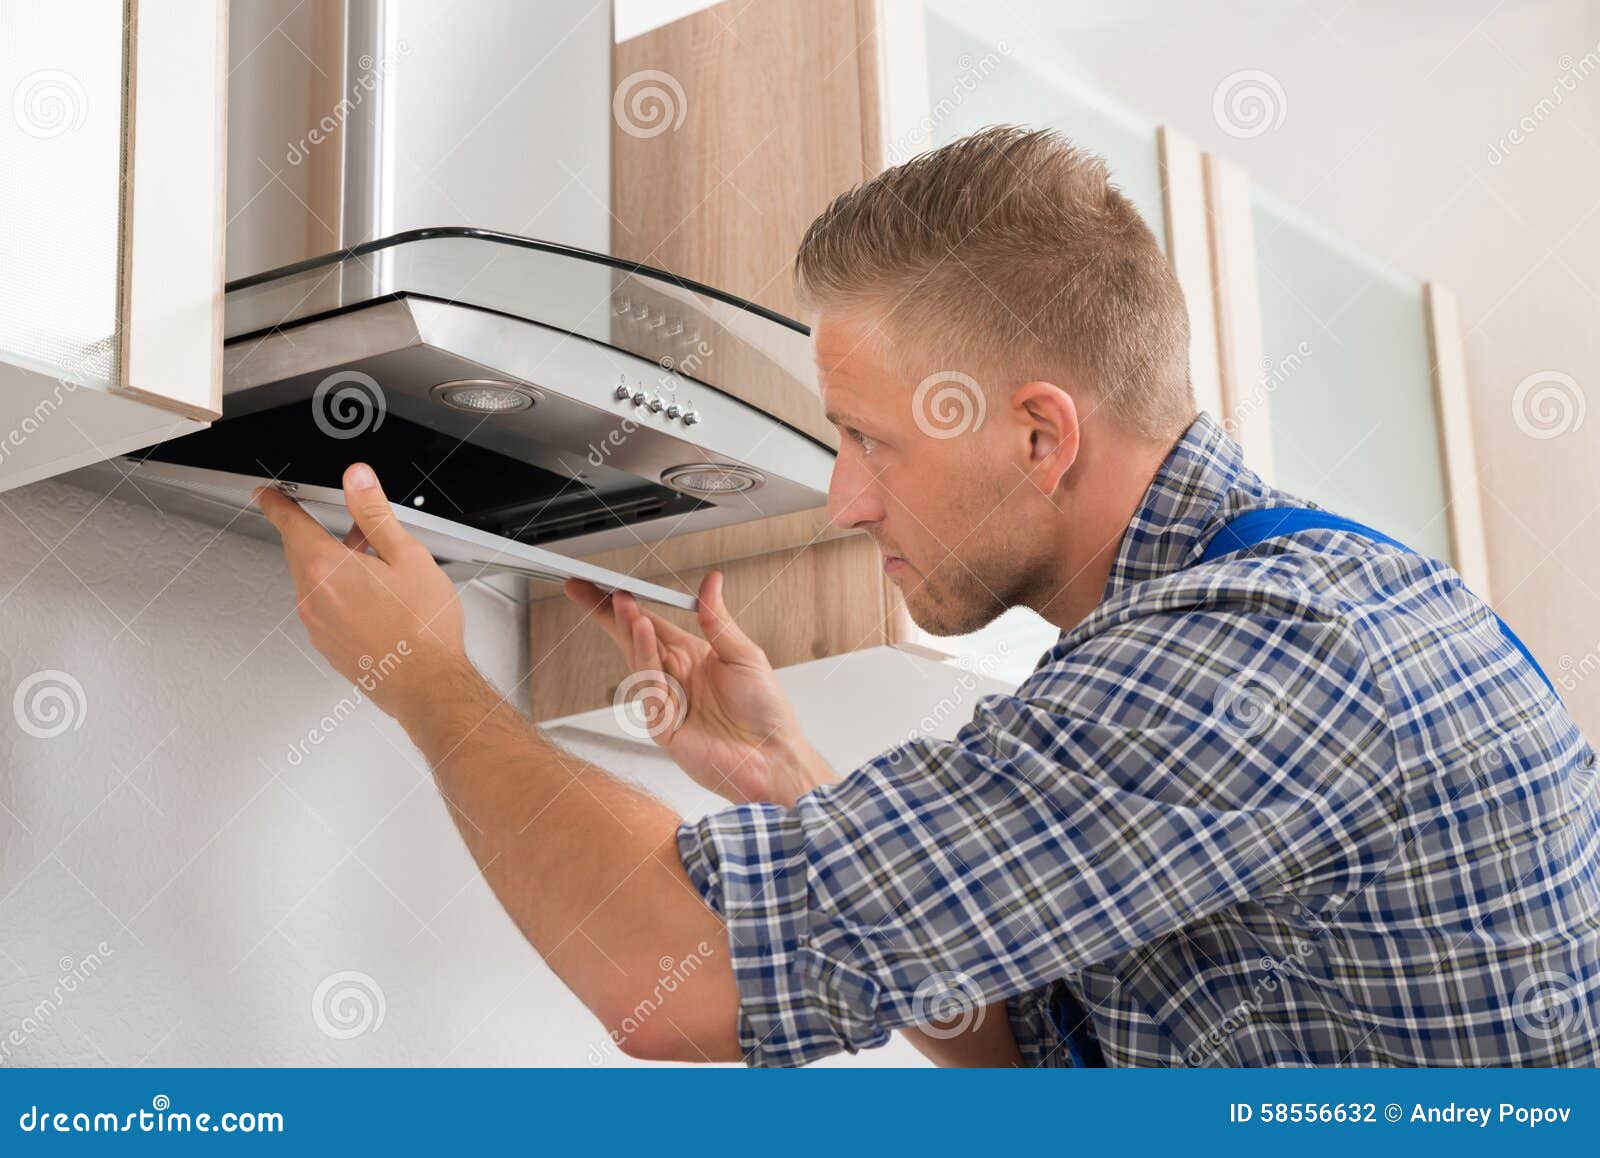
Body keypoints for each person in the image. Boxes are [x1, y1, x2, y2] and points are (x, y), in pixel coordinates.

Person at [254, 126, 1600, 1067]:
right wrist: (789, 775)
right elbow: (1032, 1046)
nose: (841, 499)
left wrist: (421, 675)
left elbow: (664, 977)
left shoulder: (1260, 658)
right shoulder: (1248, 622)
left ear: (1037, 435)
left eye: (869, 438)